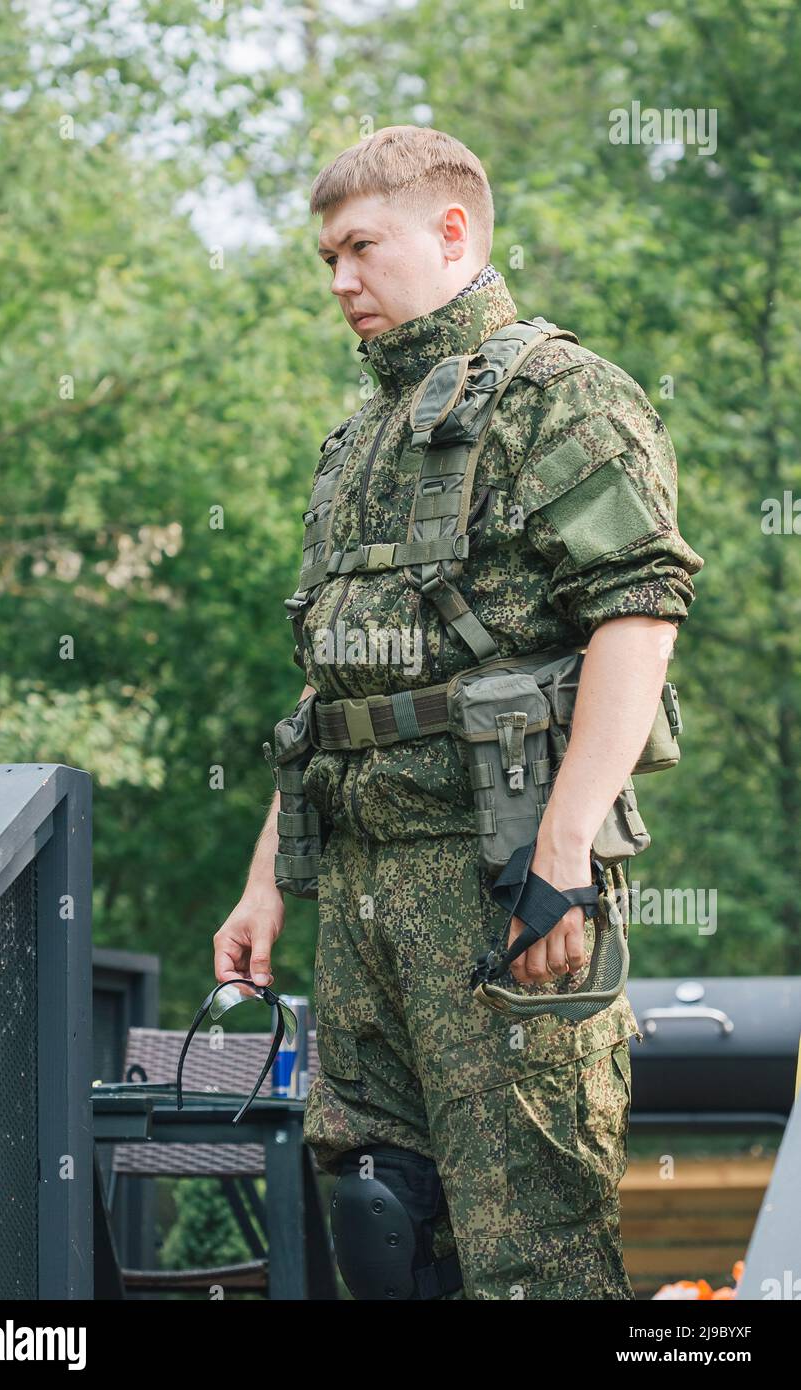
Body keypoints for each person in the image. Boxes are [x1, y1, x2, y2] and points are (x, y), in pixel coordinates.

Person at [213, 125, 704, 1300]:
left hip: (497, 888)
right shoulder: (361, 436)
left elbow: (637, 615)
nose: (338, 281)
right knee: (381, 1222)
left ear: (452, 231)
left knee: (530, 1253)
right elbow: (341, 684)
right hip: (366, 898)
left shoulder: (560, 393)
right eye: (325, 257)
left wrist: (562, 857)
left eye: (359, 248)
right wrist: (266, 873)